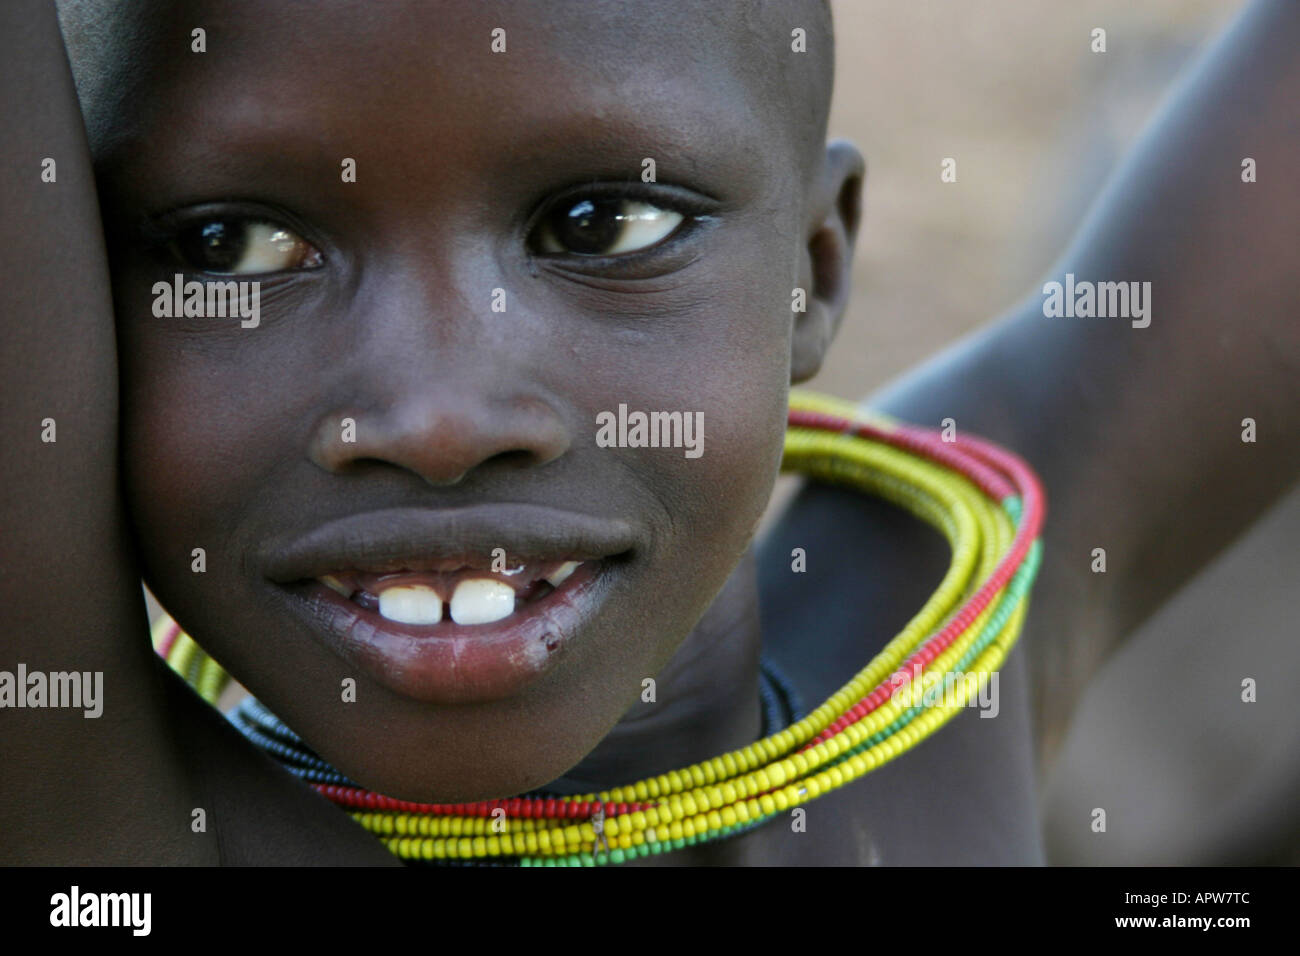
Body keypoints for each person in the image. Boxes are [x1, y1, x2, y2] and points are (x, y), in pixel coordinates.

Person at [1, 0, 1295, 865]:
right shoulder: (95, 810)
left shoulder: (945, 652)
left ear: (816, 269)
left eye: (602, 225)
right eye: (233, 248)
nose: (442, 421)